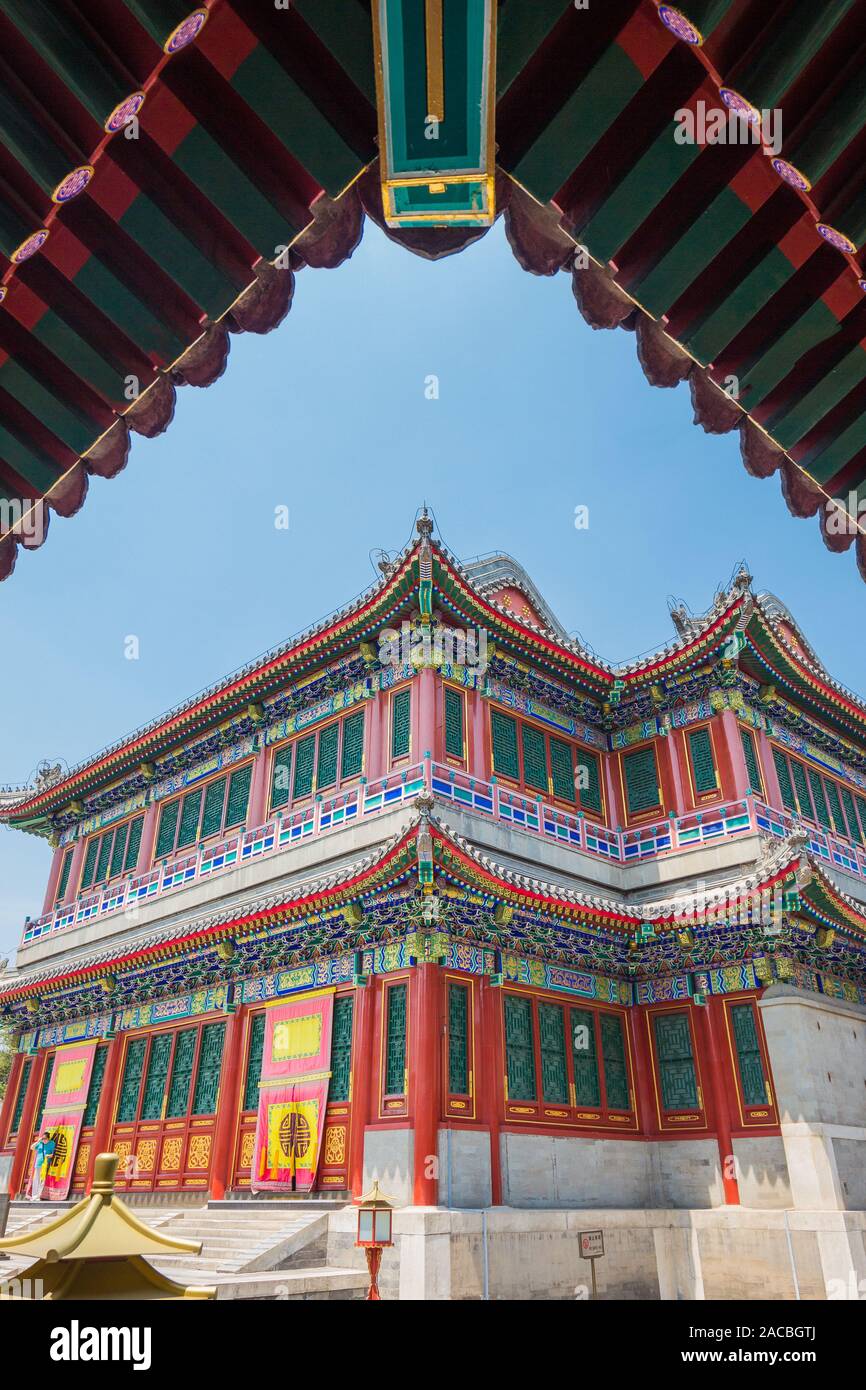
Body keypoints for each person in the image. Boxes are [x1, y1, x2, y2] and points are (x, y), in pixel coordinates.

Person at [28, 1129, 56, 1202]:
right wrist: (38, 1141)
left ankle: (38, 1196)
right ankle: (34, 1196)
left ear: (48, 1138)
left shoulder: (52, 1143)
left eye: (45, 1139)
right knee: (36, 1179)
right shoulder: (40, 1143)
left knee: (42, 1181)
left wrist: (48, 1156)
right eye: (43, 1138)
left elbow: (53, 1154)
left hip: (45, 1164)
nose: (44, 1140)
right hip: (38, 1164)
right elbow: (32, 1147)